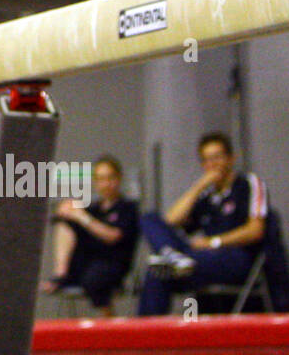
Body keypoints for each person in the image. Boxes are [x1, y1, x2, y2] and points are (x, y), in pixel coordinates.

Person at [137, 132, 267, 315]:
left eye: (217, 157)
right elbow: (171, 220)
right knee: (149, 221)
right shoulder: (206, 196)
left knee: (160, 271)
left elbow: (255, 230)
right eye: (206, 160)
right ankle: (148, 339)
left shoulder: (249, 184)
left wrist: (213, 242)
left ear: (231, 158)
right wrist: (199, 186)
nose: (212, 164)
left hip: (236, 257)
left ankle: (172, 258)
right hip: (198, 259)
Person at [42, 157, 138, 316]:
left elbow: (113, 236)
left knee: (94, 279)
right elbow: (70, 219)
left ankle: (109, 320)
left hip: (113, 264)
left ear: (119, 178)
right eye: (100, 179)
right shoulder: (93, 208)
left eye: (110, 178)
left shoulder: (127, 208)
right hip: (87, 262)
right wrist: (68, 210)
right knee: (65, 223)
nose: (106, 184)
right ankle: (61, 274)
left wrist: (82, 217)